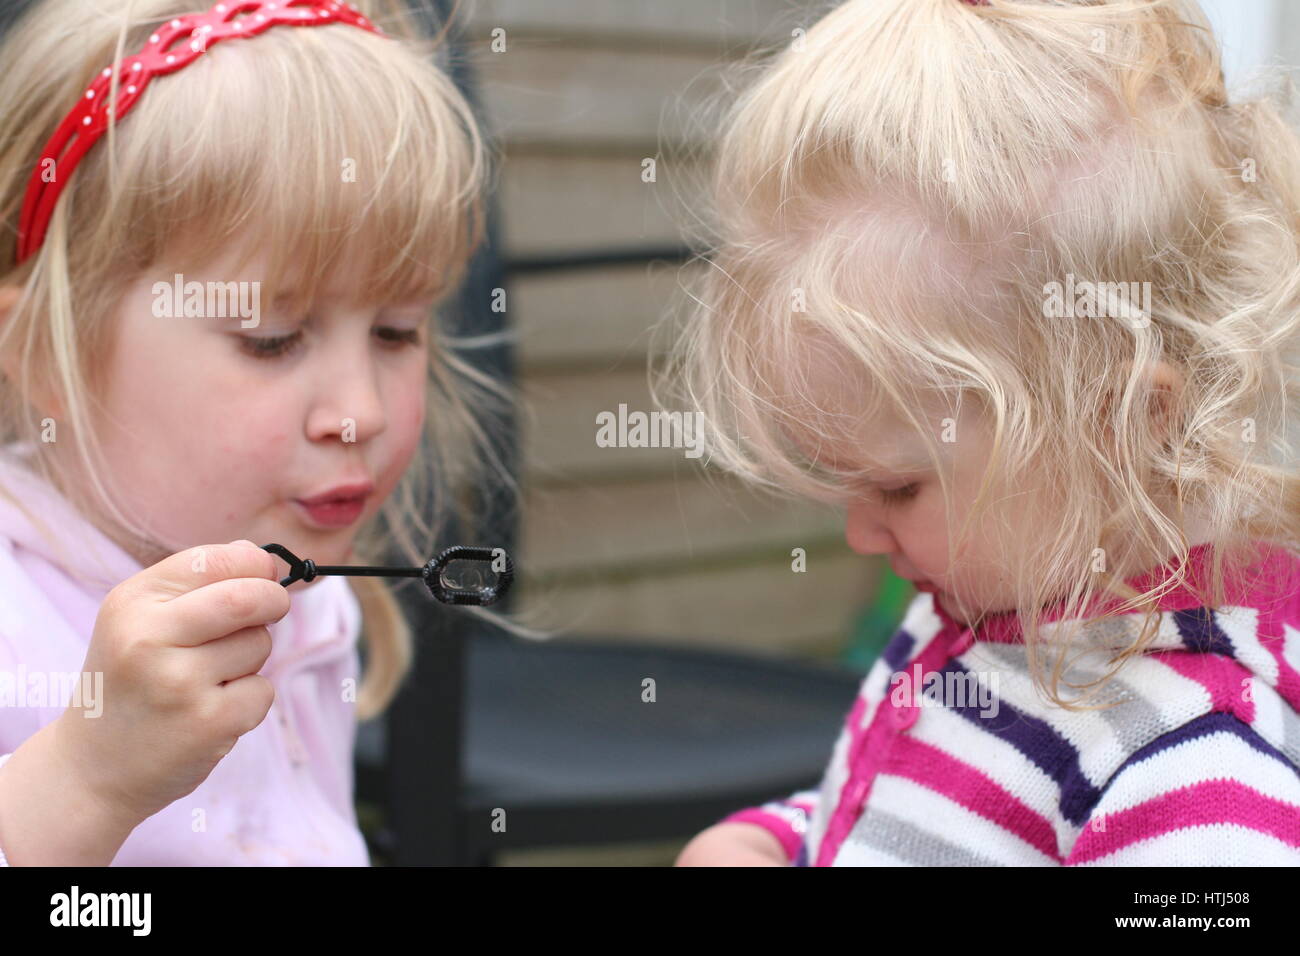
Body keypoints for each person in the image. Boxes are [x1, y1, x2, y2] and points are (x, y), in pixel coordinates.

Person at [667, 0, 1300, 865]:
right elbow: (917, 813)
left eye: (897, 487)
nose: (857, 531)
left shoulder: (1191, 770)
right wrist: (774, 841)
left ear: (1121, 429)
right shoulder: (994, 608)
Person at [0, 0, 502, 864]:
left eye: (397, 331)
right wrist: (83, 780)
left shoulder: (313, 595)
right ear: (48, 352)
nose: (362, 413)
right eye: (271, 340)